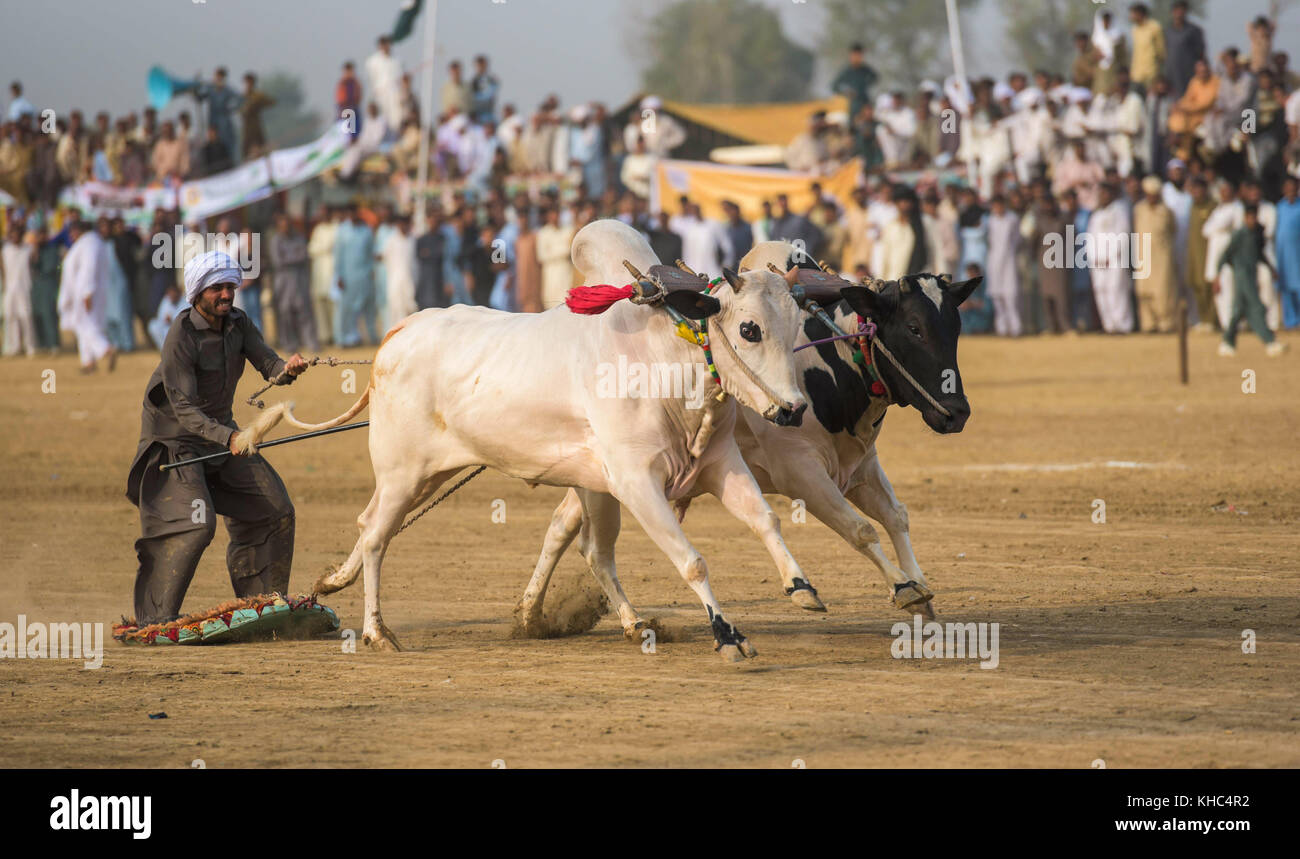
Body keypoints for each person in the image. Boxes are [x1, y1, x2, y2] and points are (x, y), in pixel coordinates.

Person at [124, 251, 310, 626]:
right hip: (175, 446)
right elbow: (185, 410)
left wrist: (287, 370)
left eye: (230, 287)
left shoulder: (238, 323)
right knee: (196, 525)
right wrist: (230, 438)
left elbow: (268, 364)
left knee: (275, 508)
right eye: (217, 289)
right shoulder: (181, 335)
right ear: (197, 293)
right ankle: (155, 618)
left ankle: (262, 606)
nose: (226, 295)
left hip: (224, 439)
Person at [1216, 205, 1286, 356]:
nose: (1252, 220)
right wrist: (1217, 276)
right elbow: (1225, 255)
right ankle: (1270, 341)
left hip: (1251, 274)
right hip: (1242, 276)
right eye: (1250, 217)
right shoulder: (1239, 234)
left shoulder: (1255, 235)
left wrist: (1271, 269)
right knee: (1257, 307)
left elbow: (1259, 254)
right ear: (1245, 218)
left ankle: (1227, 342)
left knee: (1238, 311)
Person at [57, 219, 116, 372]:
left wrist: (87, 292)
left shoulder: (90, 243)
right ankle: (88, 362)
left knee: (86, 324)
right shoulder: (89, 243)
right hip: (89, 292)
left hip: (87, 293)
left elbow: (88, 269)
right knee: (82, 325)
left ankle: (105, 349)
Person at [1133, 175, 1178, 332]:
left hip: (1161, 257)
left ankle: (1166, 324)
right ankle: (1148, 324)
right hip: (1142, 256)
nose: (1151, 197)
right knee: (1143, 292)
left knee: (1163, 292)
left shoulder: (1166, 211)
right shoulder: (1139, 210)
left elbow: (1173, 230)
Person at [1088, 182, 1134, 333]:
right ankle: (1109, 325)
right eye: (1100, 194)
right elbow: (1089, 239)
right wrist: (1093, 258)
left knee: (1117, 291)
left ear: (1112, 194)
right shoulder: (1095, 215)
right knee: (1101, 291)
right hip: (1097, 262)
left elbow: (1123, 235)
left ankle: (1123, 325)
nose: (1102, 197)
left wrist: (1111, 256)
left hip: (1115, 260)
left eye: (1105, 193)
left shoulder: (1119, 211)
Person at [269, 213, 318, 354]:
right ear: (279, 227)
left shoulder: (299, 238)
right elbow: (278, 261)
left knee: (305, 312)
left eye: (287, 225)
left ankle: (311, 343)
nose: (285, 228)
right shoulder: (275, 240)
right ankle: (290, 345)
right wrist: (294, 257)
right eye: (282, 225)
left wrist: (289, 257)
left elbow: (304, 256)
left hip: (299, 281)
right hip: (283, 284)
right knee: (285, 314)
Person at [333, 204, 378, 346]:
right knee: (346, 309)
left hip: (364, 275)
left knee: (367, 307)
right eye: (349, 213)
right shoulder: (342, 230)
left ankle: (370, 336)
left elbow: (371, 253)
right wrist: (338, 276)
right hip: (347, 276)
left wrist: (372, 271)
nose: (352, 216)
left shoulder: (366, 230)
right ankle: (343, 339)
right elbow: (338, 255)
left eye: (354, 213)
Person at [985, 195, 1022, 336]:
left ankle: (1015, 328)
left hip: (1009, 261)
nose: (998, 208)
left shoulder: (1012, 219)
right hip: (994, 261)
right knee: (997, 296)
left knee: (1011, 296)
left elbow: (1017, 239)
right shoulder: (990, 220)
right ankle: (1001, 328)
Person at [1185, 176, 1218, 331]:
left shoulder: (1213, 206)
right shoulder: (1192, 207)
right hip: (1193, 252)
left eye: (1199, 189)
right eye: (1193, 189)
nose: (1196, 192)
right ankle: (1204, 319)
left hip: (1208, 252)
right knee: (1196, 284)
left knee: (1209, 285)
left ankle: (1213, 320)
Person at [1, 228, 36, 356]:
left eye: (17, 235)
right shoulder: (6, 251)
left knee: (26, 316)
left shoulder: (27, 249)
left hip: (24, 287)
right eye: (12, 235)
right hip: (10, 289)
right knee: (10, 317)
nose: (14, 238)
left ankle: (30, 346)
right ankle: (13, 347)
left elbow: (34, 256)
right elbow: (3, 268)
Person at [196, 67, 241, 164]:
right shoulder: (210, 88)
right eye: (217, 76)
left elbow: (239, 99)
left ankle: (231, 162)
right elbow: (200, 97)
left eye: (221, 77)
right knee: (213, 144)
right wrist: (197, 87)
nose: (218, 79)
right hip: (213, 122)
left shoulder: (227, 89)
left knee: (227, 144)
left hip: (224, 123)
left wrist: (230, 108)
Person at [381, 215, 418, 328]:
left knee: (411, 308)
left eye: (406, 224)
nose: (403, 227)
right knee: (396, 308)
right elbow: (385, 259)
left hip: (411, 280)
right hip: (395, 280)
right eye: (401, 224)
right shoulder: (391, 240)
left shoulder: (413, 240)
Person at [308, 207, 338, 343]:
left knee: (335, 307)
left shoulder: (337, 228)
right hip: (320, 273)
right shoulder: (318, 229)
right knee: (321, 307)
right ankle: (325, 336)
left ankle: (337, 335)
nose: (323, 216)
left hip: (334, 273)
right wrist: (324, 247)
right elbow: (311, 249)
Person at [536, 206, 575, 310]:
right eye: (552, 214)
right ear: (548, 216)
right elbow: (542, 256)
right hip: (550, 274)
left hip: (566, 272)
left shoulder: (568, 230)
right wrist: (564, 250)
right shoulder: (543, 233)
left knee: (566, 305)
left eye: (556, 214)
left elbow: (571, 250)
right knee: (551, 305)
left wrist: (554, 250)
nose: (555, 217)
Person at [1165, 1, 1205, 98]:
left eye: (1182, 10)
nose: (1179, 12)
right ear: (1172, 12)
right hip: (1172, 74)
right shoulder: (1167, 31)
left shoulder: (1194, 30)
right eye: (1177, 10)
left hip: (1189, 73)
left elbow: (1200, 53)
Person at [30, 226, 61, 352]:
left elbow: (54, 268)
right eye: (39, 235)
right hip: (37, 286)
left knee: (49, 314)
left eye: (43, 235)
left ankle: (53, 344)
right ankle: (42, 344)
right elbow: (33, 265)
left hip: (49, 284)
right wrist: (36, 249)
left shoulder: (53, 249)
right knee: (37, 314)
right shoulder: (34, 250)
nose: (41, 238)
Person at [831, 43, 878, 124]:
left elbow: (875, 78)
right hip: (851, 104)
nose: (857, 57)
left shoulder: (865, 70)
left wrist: (866, 83)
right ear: (851, 55)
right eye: (855, 55)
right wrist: (846, 92)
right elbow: (834, 86)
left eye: (859, 55)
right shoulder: (847, 71)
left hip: (865, 102)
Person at [366, 36, 404, 134]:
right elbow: (371, 79)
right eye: (383, 45)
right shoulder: (373, 61)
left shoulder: (397, 60)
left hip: (395, 95)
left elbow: (401, 78)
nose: (386, 47)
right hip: (380, 95)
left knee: (396, 119)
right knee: (381, 119)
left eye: (387, 44)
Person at [1276, 176, 1300, 328]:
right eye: (1287, 187)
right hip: (1282, 255)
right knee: (1285, 288)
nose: (1290, 190)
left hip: (1297, 254)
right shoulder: (1279, 207)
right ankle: (1290, 322)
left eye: (1293, 187)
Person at [1127, 3, 1165, 94]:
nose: (1131, 16)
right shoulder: (1134, 30)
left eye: (1133, 13)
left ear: (1140, 13)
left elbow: (1161, 51)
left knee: (1150, 100)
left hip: (1151, 73)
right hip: (1136, 74)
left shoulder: (1154, 27)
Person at [239, 72, 277, 159]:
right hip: (246, 126)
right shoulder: (242, 97)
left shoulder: (257, 95)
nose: (247, 84)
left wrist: (258, 102)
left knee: (262, 145)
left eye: (249, 82)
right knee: (245, 148)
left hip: (256, 125)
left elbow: (271, 102)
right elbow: (239, 110)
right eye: (246, 82)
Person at [336, 61, 363, 140]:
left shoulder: (355, 83)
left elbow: (359, 96)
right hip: (346, 110)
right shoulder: (342, 83)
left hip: (354, 109)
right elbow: (341, 99)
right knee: (345, 135)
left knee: (355, 135)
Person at [470, 55, 499, 124]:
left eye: (482, 65)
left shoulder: (492, 80)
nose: (480, 68)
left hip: (489, 113)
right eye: (479, 66)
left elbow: (491, 94)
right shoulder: (473, 81)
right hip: (477, 115)